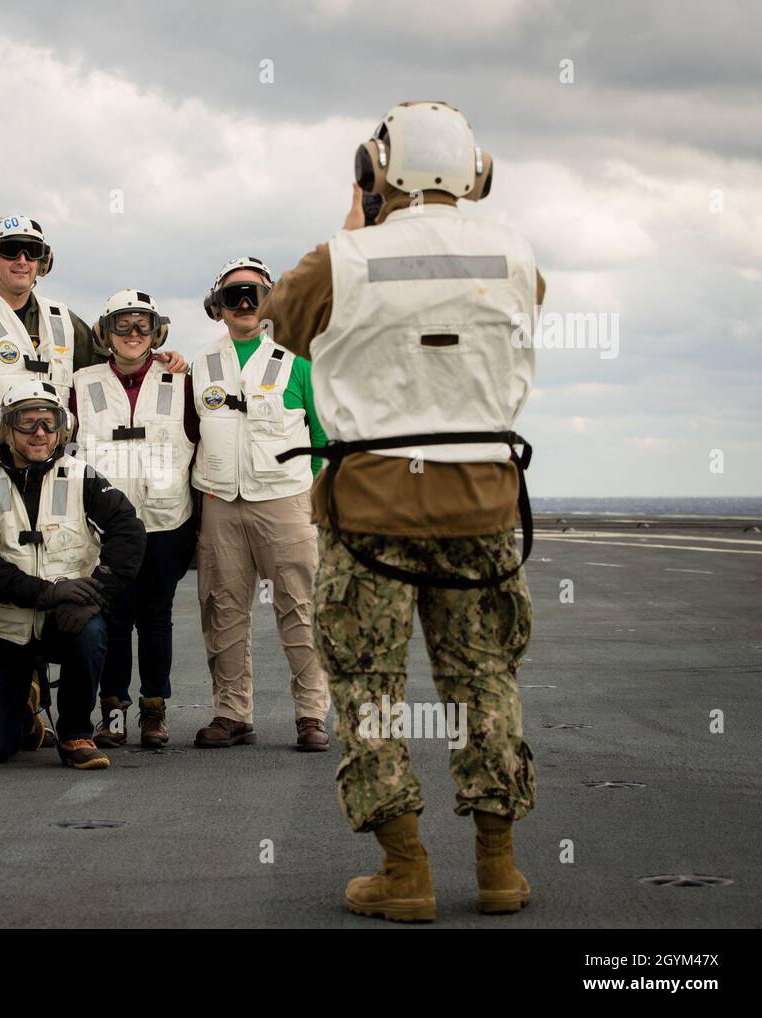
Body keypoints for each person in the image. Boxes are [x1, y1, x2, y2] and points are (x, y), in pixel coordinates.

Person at [260, 100, 543, 922]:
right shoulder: (518, 255)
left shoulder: (343, 258)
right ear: (476, 170)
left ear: (373, 170)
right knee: (485, 679)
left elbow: (284, 322)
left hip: (373, 506)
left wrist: (355, 225)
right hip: (483, 504)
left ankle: (407, 870)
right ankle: (498, 867)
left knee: (371, 686)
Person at [0, 215, 187, 750]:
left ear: (43, 262)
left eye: (31, 252)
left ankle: (67, 719)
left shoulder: (65, 321)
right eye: (9, 251)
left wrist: (162, 360)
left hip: (50, 477)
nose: (21, 261)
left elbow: (118, 363)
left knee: (64, 588)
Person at [0, 380, 145, 769]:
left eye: (49, 421)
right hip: (3, 628)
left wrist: (95, 597)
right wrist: (51, 593)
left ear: (64, 427)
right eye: (26, 423)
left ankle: (75, 732)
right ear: (2, 429)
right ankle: (28, 700)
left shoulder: (83, 476)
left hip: (67, 619)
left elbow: (129, 532)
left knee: (91, 634)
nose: (39, 433)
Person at [190, 257, 331, 752]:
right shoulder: (199, 364)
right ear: (218, 306)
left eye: (254, 293)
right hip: (221, 504)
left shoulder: (299, 360)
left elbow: (323, 435)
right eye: (234, 295)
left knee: (301, 610)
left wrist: (306, 497)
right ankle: (232, 714)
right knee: (222, 610)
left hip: (286, 502)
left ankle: (311, 715)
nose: (245, 304)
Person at [71, 290, 197, 748]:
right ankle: (114, 710)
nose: (132, 334)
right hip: (107, 527)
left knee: (156, 617)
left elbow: (201, 446)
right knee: (114, 618)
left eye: (142, 325)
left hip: (166, 521)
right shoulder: (81, 383)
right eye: (122, 325)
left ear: (157, 331)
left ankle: (154, 711)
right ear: (105, 332)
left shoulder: (181, 379)